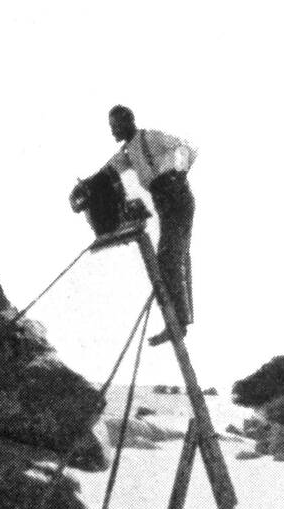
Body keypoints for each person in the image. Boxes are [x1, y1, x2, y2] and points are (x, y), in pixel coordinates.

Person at [102, 105, 197, 346]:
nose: (112, 131)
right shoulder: (128, 152)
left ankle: (179, 324)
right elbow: (110, 170)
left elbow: (186, 146)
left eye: (115, 126)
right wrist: (90, 183)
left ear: (128, 122)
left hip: (177, 197)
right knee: (170, 258)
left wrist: (179, 172)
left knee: (169, 258)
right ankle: (178, 322)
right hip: (164, 203)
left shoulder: (150, 137)